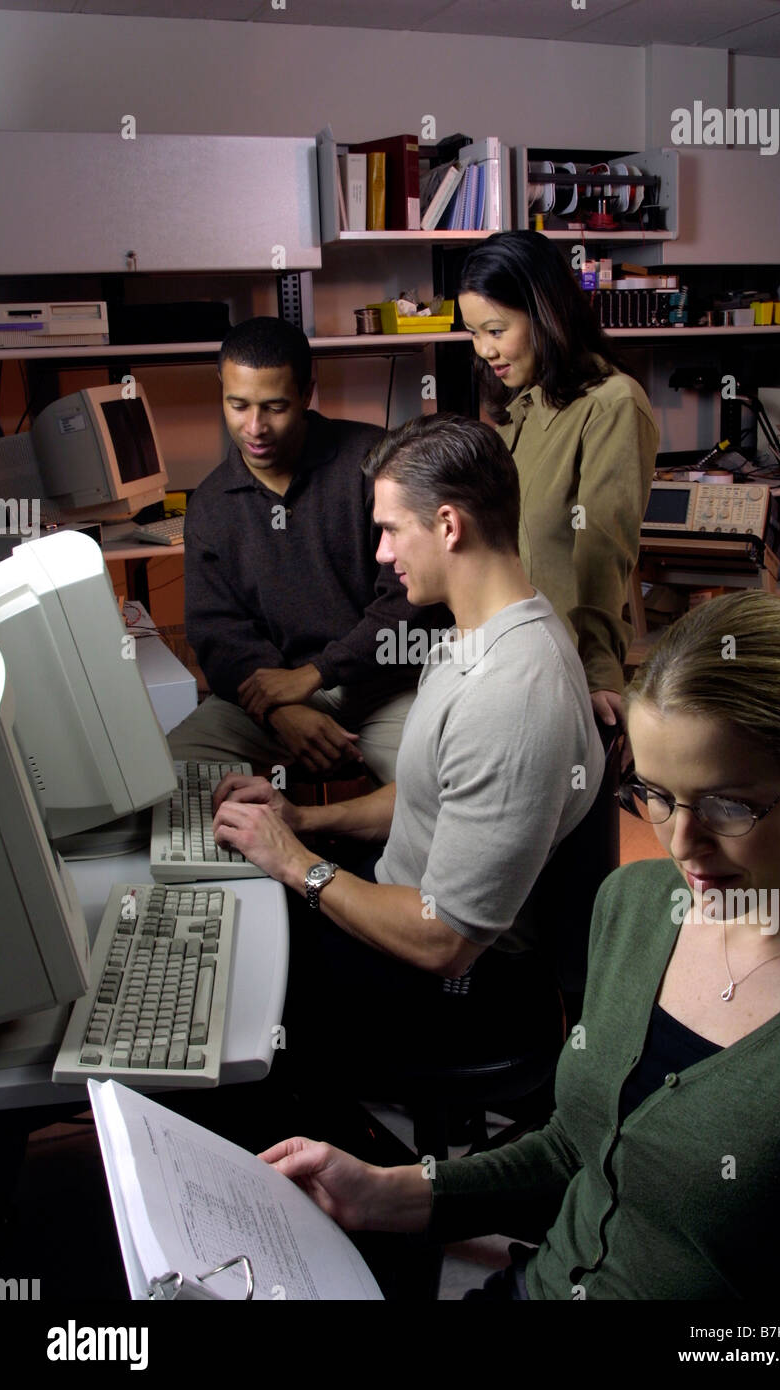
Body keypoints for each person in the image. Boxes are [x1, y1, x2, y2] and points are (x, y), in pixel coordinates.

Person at [253, 589, 780, 1299]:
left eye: (729, 804)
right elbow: (580, 1149)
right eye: (656, 796)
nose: (683, 847)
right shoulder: (635, 908)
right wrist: (387, 1193)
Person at [211, 412, 604, 1068]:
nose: (383, 554)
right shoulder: (474, 633)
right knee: (234, 922)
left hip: (452, 985)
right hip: (397, 906)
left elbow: (443, 940)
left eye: (392, 529)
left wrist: (294, 862)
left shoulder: (511, 693)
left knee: (229, 1006)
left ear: (449, 526)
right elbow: (433, 794)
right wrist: (302, 819)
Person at [167, 316, 444, 784]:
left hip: (385, 688)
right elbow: (219, 635)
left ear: (307, 392)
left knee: (437, 785)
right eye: (238, 405)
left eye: (274, 407)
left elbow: (411, 599)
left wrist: (319, 670)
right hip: (272, 698)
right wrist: (278, 712)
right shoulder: (211, 506)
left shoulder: (375, 463)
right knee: (166, 779)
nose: (255, 427)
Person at [457, 230, 659, 727]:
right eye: (474, 333)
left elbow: (603, 554)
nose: (484, 349)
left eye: (497, 330)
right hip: (499, 660)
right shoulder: (523, 403)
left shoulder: (612, 404)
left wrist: (599, 675)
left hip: (561, 673)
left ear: (544, 312)